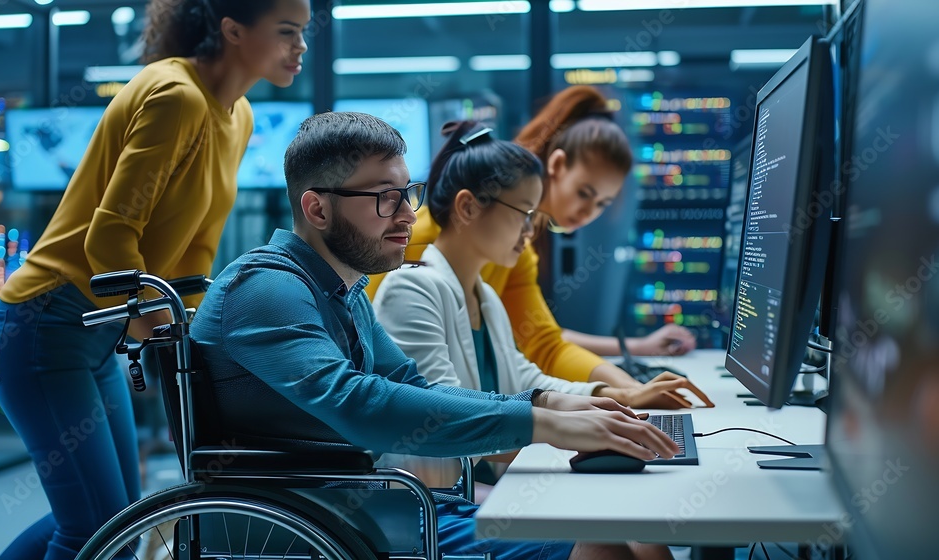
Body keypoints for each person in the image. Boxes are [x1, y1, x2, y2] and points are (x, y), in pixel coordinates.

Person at [189, 111, 679, 560]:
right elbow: (358, 405)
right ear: (317, 209)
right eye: (385, 198)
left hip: (371, 511)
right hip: (321, 527)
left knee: (632, 534)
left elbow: (416, 386)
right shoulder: (265, 288)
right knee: (605, 543)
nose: (407, 215)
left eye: (408, 193)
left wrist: (546, 404)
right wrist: (538, 424)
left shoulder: (343, 289)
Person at [0, 1, 310, 558]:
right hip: (46, 326)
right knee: (95, 532)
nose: (301, 46)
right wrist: (164, 327)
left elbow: (192, 257)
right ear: (233, 30)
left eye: (302, 32)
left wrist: (215, 338)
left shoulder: (238, 115)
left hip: (94, 333)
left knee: (111, 523)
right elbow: (108, 239)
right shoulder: (175, 97)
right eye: (287, 31)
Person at [366, 86, 708, 409]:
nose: (588, 213)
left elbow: (540, 350)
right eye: (585, 193)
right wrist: (554, 424)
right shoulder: (412, 255)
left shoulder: (494, 283)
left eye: (602, 204)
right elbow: (429, 401)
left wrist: (627, 394)